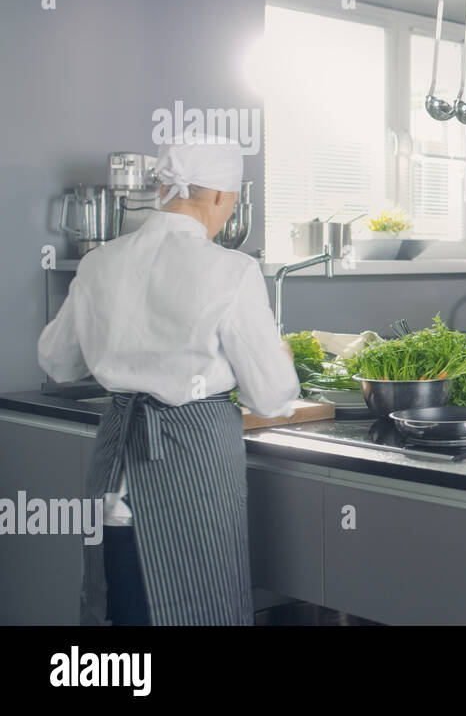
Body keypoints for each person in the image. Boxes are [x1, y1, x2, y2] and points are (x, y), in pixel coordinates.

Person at [38, 139, 299, 626]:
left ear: (163, 189)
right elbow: (271, 396)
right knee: (199, 609)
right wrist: (279, 359)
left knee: (120, 609)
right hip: (190, 464)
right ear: (222, 197)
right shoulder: (232, 270)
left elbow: (57, 361)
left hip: (115, 463)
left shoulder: (99, 262)